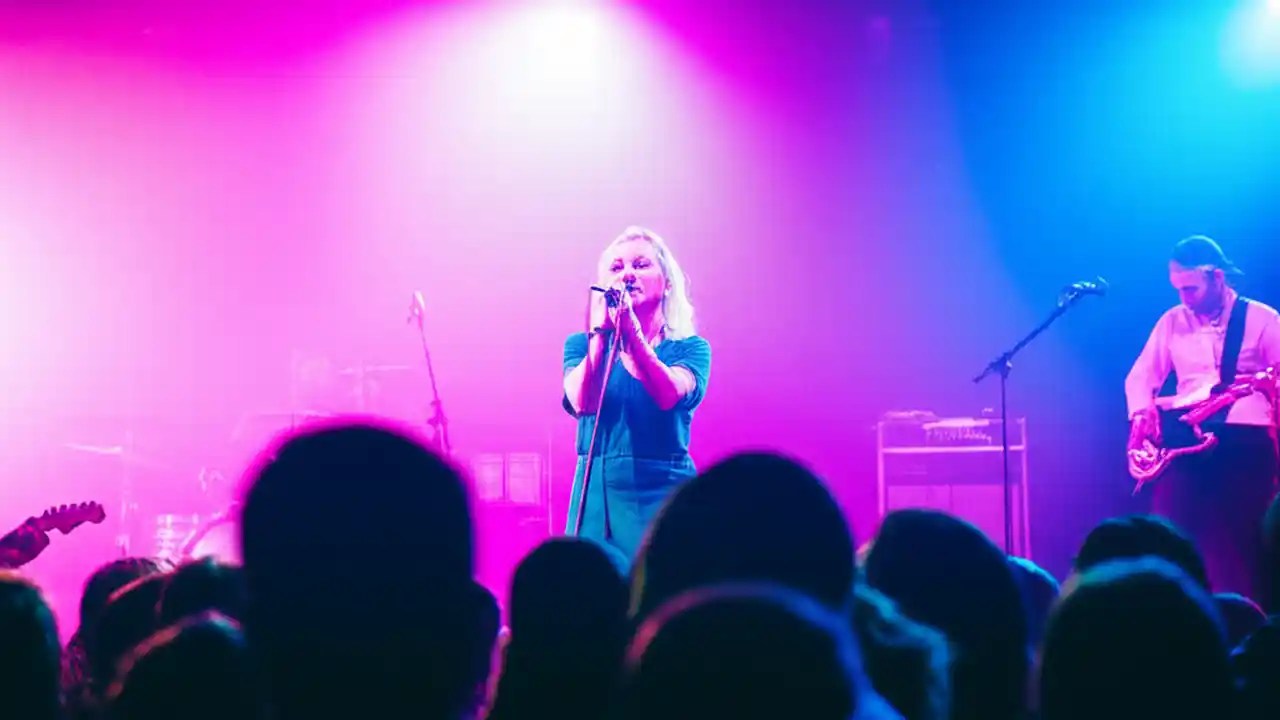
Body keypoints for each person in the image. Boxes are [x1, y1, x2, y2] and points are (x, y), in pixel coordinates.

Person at [1125, 235, 1280, 600]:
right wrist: (1141, 414)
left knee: (1246, 542)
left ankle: (1248, 620)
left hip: (1245, 438)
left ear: (1217, 278)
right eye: (1178, 289)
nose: (1184, 298)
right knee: (1170, 534)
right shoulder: (1172, 321)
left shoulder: (1262, 319)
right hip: (1186, 438)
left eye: (1191, 288)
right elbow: (1141, 376)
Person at [562, 226, 711, 572]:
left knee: (657, 591)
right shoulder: (580, 346)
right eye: (616, 268)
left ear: (668, 282)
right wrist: (601, 334)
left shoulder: (689, 348)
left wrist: (632, 334)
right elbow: (582, 401)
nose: (627, 274)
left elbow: (668, 391)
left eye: (641, 265)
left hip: (659, 494)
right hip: (594, 497)